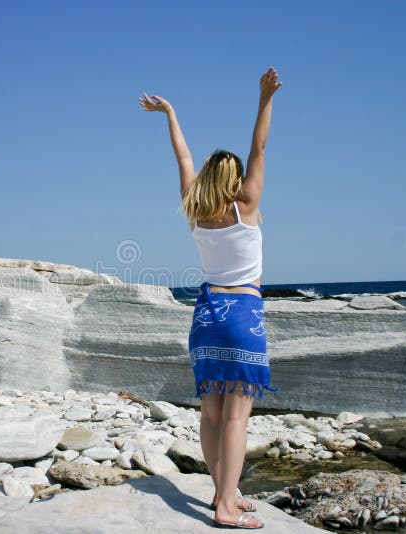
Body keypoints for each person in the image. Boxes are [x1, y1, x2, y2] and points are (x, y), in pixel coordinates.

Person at [139, 67, 282, 529]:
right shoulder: (246, 206)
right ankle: (224, 506)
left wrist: (170, 114)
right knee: (237, 417)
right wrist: (265, 97)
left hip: (205, 316)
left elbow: (182, 158)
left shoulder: (195, 211)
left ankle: (224, 492)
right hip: (241, 314)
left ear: (206, 178)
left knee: (211, 414)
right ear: (235, 178)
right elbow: (259, 147)